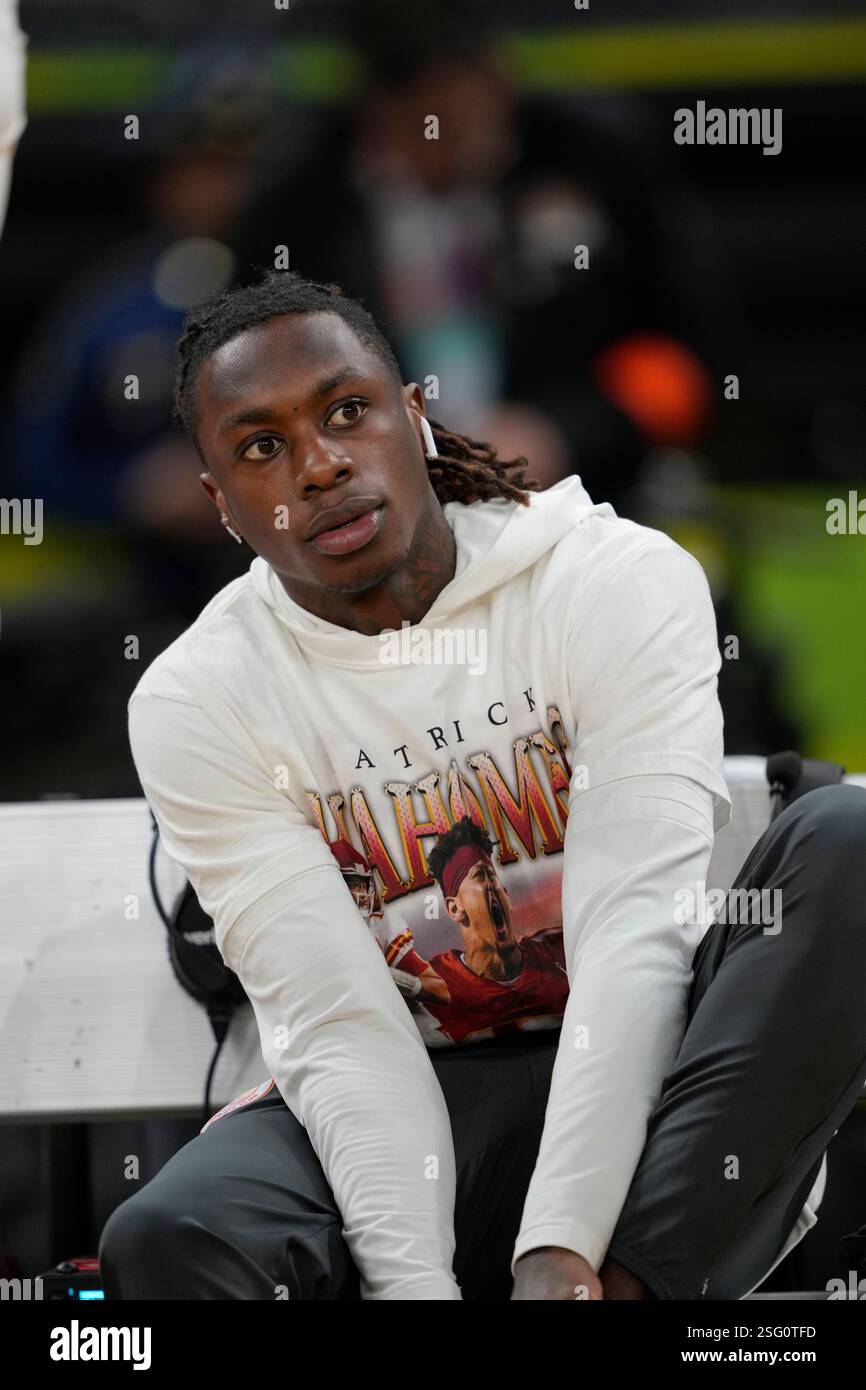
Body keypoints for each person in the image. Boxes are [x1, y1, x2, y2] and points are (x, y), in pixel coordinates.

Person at [98, 268, 866, 1301]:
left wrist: (561, 1250)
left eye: (347, 412)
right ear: (219, 503)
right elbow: (338, 1023)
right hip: (396, 1100)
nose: (320, 466)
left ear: (413, 419)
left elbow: (634, 933)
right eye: (260, 447)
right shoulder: (199, 698)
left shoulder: (611, 580)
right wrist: (414, 1287)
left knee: (847, 841)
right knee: (176, 1229)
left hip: (646, 1096)